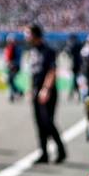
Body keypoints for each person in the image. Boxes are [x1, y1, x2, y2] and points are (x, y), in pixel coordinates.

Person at [25, 24, 66, 164]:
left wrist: (46, 89)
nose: (26, 37)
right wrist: (31, 89)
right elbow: (33, 72)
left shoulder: (48, 50)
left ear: (35, 35)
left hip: (47, 92)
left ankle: (61, 151)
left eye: (28, 34)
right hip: (37, 90)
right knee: (39, 124)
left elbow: (52, 71)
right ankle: (43, 153)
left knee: (48, 122)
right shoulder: (32, 51)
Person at [3, 34, 22, 102]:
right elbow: (7, 58)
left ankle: (18, 92)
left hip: (15, 67)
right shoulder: (9, 47)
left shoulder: (16, 48)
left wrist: (12, 64)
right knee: (10, 80)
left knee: (10, 80)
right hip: (10, 67)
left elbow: (17, 59)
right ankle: (12, 95)